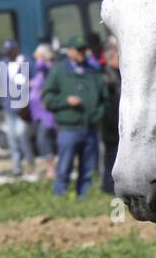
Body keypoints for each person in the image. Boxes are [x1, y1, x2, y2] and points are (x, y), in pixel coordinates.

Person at [41, 36, 109, 197]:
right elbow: (47, 98)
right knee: (64, 166)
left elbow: (104, 100)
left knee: (88, 168)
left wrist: (97, 115)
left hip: (89, 128)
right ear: (69, 51)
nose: (82, 53)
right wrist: (65, 101)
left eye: (84, 49)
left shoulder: (93, 72)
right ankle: (60, 195)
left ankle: (84, 197)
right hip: (68, 128)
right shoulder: (59, 71)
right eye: (78, 50)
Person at [2, 39, 35, 178]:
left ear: (16, 49)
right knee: (11, 137)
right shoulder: (3, 65)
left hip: (23, 107)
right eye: (7, 52)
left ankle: (29, 163)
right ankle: (17, 167)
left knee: (22, 135)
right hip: (9, 107)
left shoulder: (26, 62)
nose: (9, 54)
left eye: (11, 50)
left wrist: (30, 84)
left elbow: (37, 78)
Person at [28, 44, 58, 180]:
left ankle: (51, 169)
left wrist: (41, 58)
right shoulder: (42, 71)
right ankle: (50, 168)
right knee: (43, 140)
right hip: (38, 114)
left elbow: (41, 67)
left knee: (45, 139)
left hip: (45, 114)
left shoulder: (47, 66)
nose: (35, 58)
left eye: (37, 55)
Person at [100, 38, 121, 193]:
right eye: (118, 57)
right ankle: (108, 186)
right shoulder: (106, 76)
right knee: (111, 156)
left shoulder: (118, 74)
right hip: (110, 123)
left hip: (117, 121)